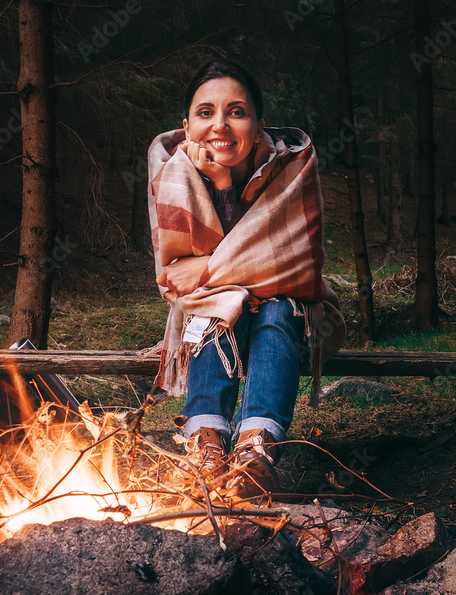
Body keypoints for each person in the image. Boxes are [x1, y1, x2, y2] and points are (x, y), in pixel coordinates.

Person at [147, 61, 345, 497]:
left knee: (276, 306)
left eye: (236, 112)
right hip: (216, 312)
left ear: (257, 127)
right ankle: (207, 445)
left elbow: (299, 267)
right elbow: (174, 277)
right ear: (186, 126)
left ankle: (255, 452)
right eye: (205, 113)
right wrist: (220, 184)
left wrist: (209, 269)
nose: (220, 125)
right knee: (218, 304)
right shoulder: (171, 173)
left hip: (292, 310)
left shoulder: (294, 166)